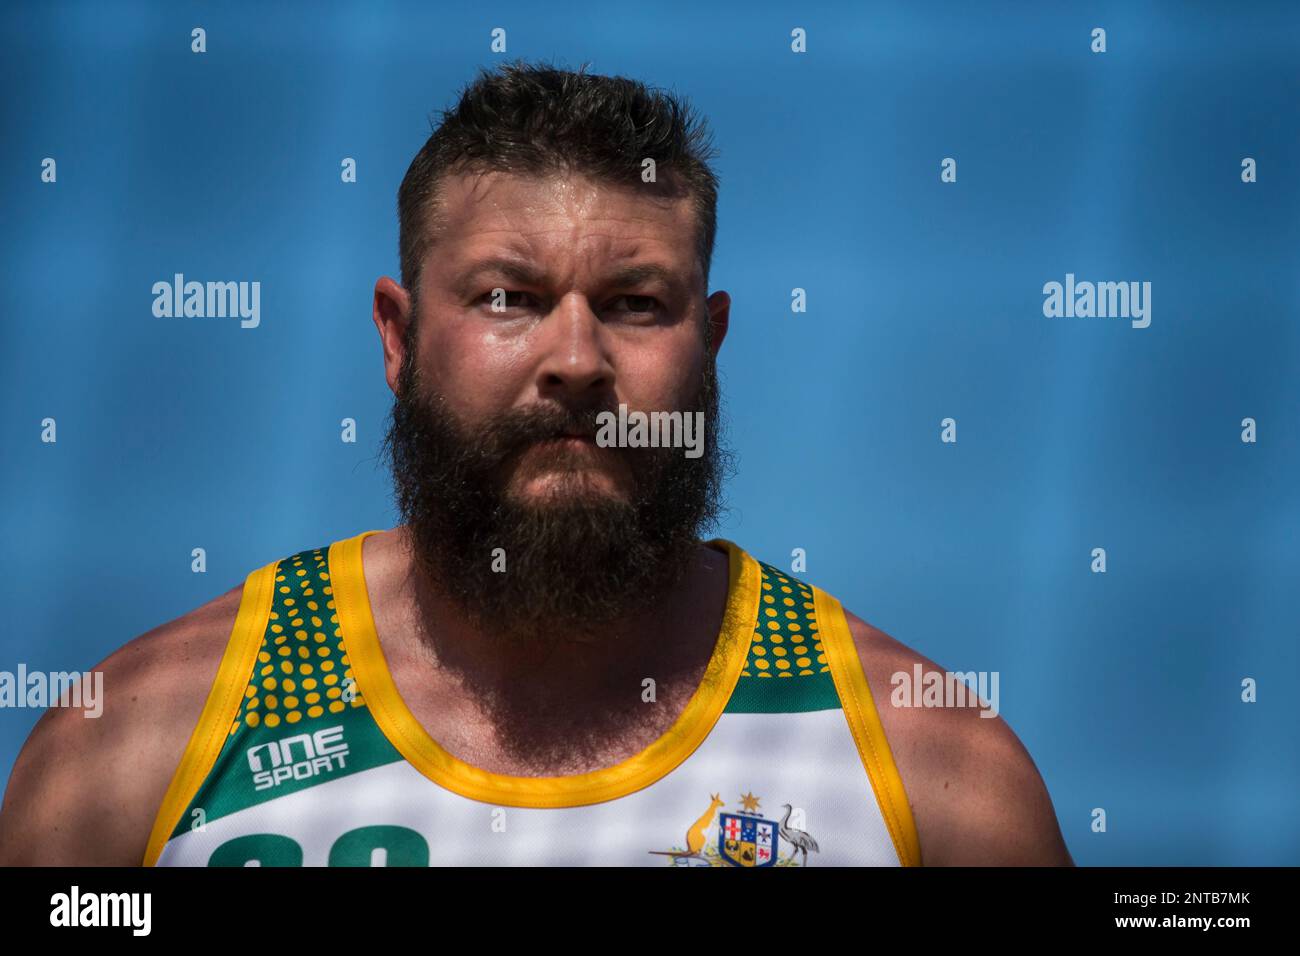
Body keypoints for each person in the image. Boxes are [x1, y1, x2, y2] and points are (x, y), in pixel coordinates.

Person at [0, 60, 1072, 867]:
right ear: (397, 335)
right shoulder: (141, 749)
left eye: (634, 304)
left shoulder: (933, 775)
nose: (574, 360)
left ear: (713, 339)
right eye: (508, 297)